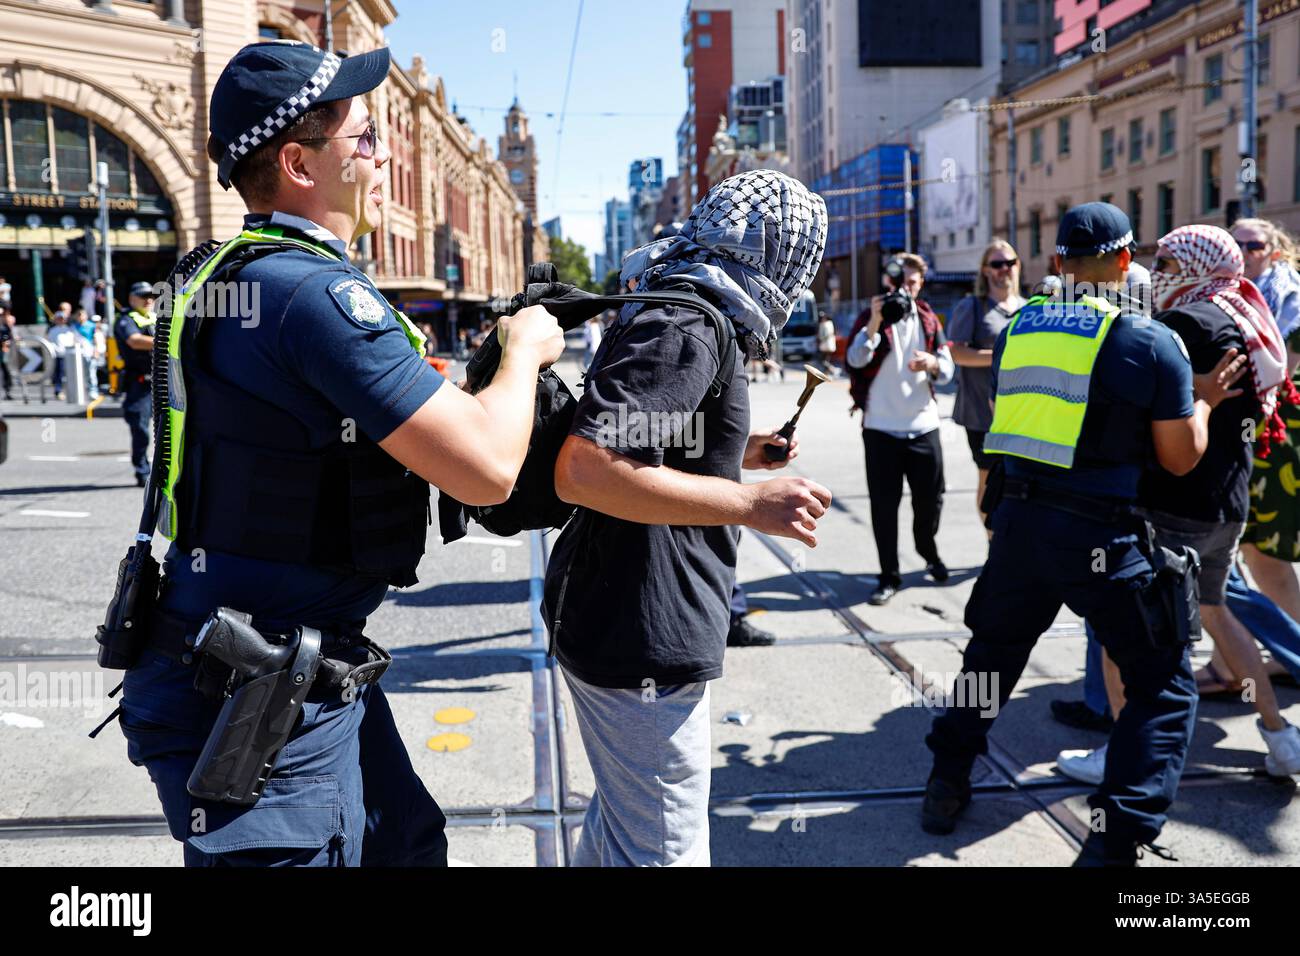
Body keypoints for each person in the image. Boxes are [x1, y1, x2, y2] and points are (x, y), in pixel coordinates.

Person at [113, 40, 564, 867]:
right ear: (297, 161)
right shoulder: (313, 296)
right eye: (362, 137)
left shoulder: (215, 275)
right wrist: (527, 350)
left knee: (408, 847)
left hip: (261, 650)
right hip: (265, 683)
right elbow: (487, 470)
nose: (381, 151)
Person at [921, 203, 1239, 866]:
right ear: (1128, 261)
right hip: (1104, 535)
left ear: (1058, 264)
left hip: (1020, 527)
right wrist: (1204, 399)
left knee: (991, 659)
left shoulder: (1018, 330)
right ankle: (1115, 842)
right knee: (1161, 684)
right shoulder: (1150, 341)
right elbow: (1180, 457)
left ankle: (946, 778)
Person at [545, 169, 830, 866]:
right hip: (640, 629)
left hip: (629, 616)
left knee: (621, 831)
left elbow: (652, 435)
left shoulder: (687, 303)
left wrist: (738, 451)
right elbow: (586, 468)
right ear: (776, 249)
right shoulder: (690, 320)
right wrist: (748, 503)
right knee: (662, 852)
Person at [1057, 224, 1300, 783]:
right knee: (1217, 612)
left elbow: (1139, 393)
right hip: (1226, 504)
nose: (1158, 271)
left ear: (1195, 264)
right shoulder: (1244, 312)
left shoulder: (1186, 322)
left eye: (1167, 262)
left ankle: (1123, 757)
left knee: (1124, 630)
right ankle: (1281, 738)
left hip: (1175, 501)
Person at [845, 253, 953, 605]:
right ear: (888, 282)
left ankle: (928, 549)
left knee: (930, 500)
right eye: (899, 281)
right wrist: (875, 321)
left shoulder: (928, 319)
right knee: (884, 506)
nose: (905, 289)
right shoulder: (871, 316)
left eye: (912, 282)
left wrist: (933, 362)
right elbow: (855, 359)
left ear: (920, 285)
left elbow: (948, 369)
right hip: (880, 428)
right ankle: (889, 574)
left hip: (923, 425)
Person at [948, 239, 1025, 527]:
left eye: (1010, 262)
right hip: (982, 415)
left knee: (1017, 481)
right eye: (997, 264)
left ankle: (1007, 542)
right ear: (985, 270)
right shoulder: (973, 306)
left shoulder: (1028, 307)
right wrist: (1002, 356)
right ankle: (992, 546)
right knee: (990, 480)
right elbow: (957, 353)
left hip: (1022, 415)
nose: (1004, 269)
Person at [113, 283, 156, 485]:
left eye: (151, 296)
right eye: (143, 296)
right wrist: (166, 341)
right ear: (132, 299)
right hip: (140, 382)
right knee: (140, 428)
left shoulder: (156, 318)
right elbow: (134, 341)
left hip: (161, 381)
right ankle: (142, 471)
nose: (148, 299)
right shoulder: (126, 320)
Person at [816, 309, 838, 376]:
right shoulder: (830, 324)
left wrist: (820, 338)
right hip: (829, 345)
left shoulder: (825, 324)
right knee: (826, 360)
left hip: (825, 345)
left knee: (823, 361)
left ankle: (833, 370)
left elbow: (825, 335)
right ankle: (826, 373)